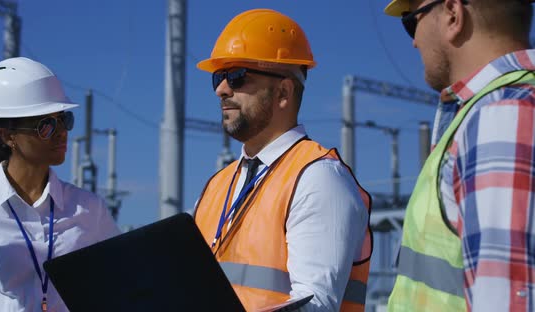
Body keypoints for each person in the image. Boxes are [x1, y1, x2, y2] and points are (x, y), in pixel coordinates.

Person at [193, 9, 372, 311]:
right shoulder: (217, 186)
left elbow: (314, 306)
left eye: (237, 76)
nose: (222, 90)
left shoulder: (318, 178)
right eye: (218, 78)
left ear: (283, 92)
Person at [383, 0, 535, 310]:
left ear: (453, 14)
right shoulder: (492, 113)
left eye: (411, 21)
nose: (413, 41)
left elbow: (508, 299)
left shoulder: (503, 115)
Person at [0, 57, 121, 311]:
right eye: (46, 125)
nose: (62, 132)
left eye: (64, 120)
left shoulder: (91, 210)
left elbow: (118, 292)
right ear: (7, 136)